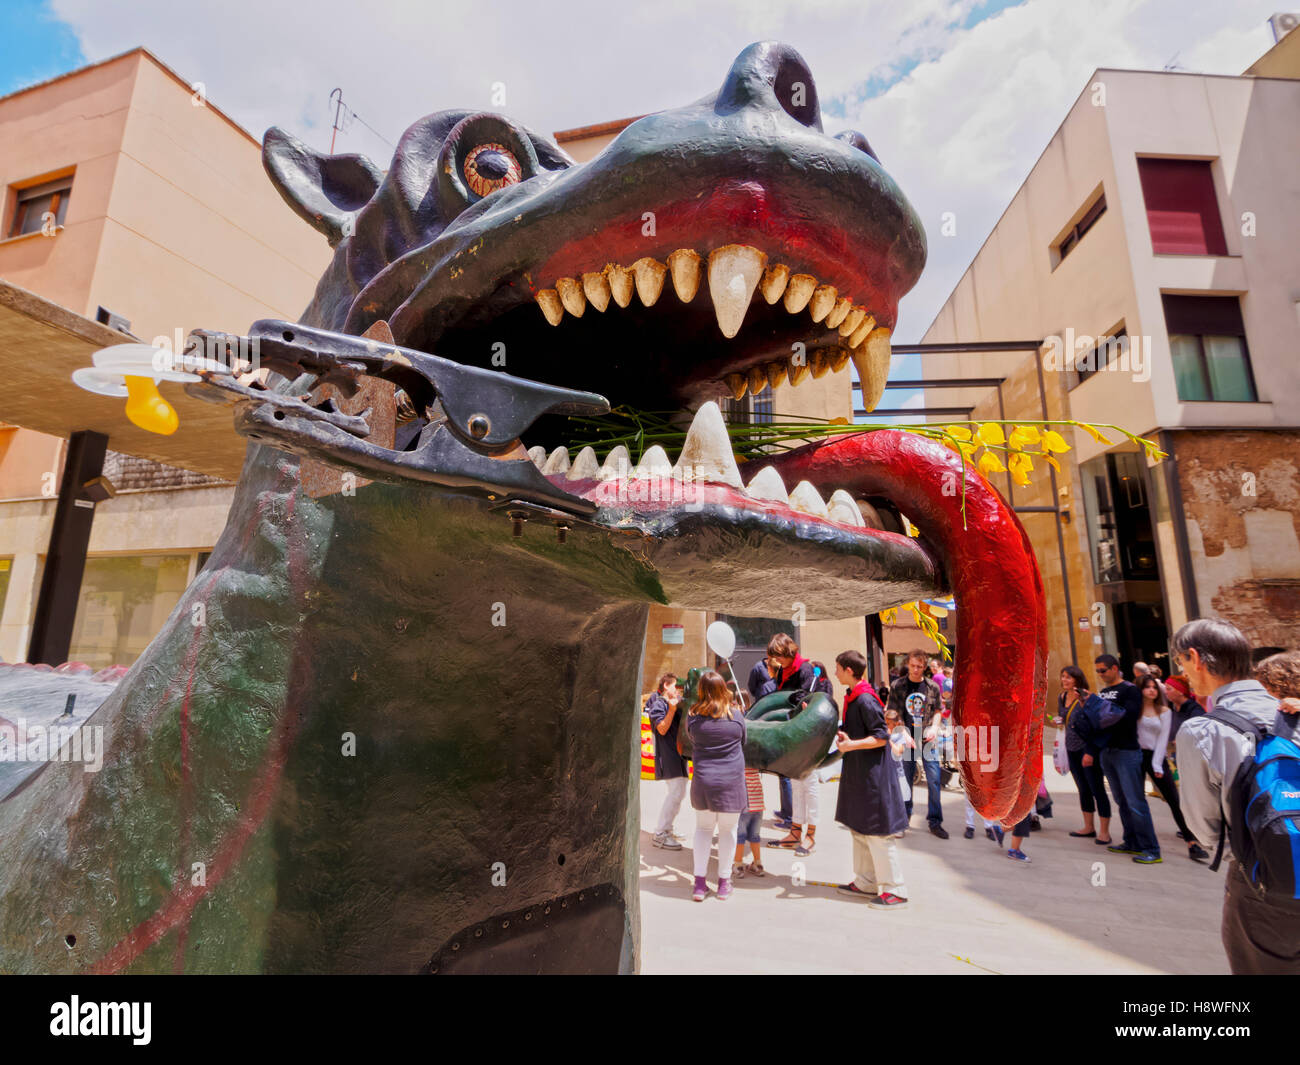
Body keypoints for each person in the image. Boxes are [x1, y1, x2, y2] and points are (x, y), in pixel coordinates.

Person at [1175, 621, 1299, 974]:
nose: (1182, 673)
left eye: (1180, 662)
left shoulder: (1203, 730)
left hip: (1263, 882)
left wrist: (1250, 854)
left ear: (1194, 658)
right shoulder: (1291, 707)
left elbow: (1205, 829)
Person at [833, 650, 908, 908]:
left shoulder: (865, 699)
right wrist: (847, 739)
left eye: (838, 668)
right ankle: (866, 881)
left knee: (877, 832)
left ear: (849, 671)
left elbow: (881, 736)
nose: (835, 673)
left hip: (874, 775)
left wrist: (851, 744)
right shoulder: (854, 697)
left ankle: (895, 889)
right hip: (860, 772)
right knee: (859, 828)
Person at [687, 670, 747, 902]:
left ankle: (699, 885)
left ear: (701, 691)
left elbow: (691, 739)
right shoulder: (735, 716)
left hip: (704, 781)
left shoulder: (693, 717)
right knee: (727, 832)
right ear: (724, 690)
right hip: (731, 781)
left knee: (703, 830)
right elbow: (744, 740)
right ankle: (724, 883)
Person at [1094, 654, 1161, 864]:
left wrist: (1103, 717)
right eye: (1098, 672)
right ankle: (1131, 841)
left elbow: (1128, 716)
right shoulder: (1103, 693)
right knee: (1121, 800)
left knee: (1135, 801)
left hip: (1126, 752)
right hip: (1107, 752)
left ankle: (1151, 848)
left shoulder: (1130, 690)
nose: (1101, 675)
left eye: (1103, 670)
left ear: (1115, 668)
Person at [1137, 674, 1208, 861]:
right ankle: (1143, 843)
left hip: (1156, 756)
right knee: (1137, 802)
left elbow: (1162, 740)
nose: (1152, 690)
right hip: (1136, 757)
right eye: (1147, 687)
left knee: (1174, 800)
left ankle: (1191, 842)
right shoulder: (1135, 710)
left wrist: (1156, 764)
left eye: (1154, 687)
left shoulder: (1164, 711)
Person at [887, 649, 947, 838]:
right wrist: (903, 733)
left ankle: (935, 822)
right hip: (907, 738)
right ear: (908, 664)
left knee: (934, 780)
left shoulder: (932, 687)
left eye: (919, 666)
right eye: (912, 665)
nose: (915, 669)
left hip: (927, 737)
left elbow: (938, 710)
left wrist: (935, 728)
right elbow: (893, 713)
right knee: (905, 780)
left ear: (925, 666)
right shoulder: (898, 685)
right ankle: (903, 819)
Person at [783, 662, 838, 856]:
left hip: (813, 744)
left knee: (810, 787)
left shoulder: (823, 690)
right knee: (797, 786)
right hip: (797, 742)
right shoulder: (803, 688)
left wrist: (810, 709)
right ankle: (795, 831)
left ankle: (811, 836)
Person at [1054, 665, 1112, 845]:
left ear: (1077, 679)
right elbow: (1064, 718)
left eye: (1068, 677)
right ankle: (1089, 826)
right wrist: (1058, 721)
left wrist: (1090, 752)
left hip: (1087, 749)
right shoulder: (1062, 697)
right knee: (1083, 789)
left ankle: (1104, 832)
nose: (1064, 680)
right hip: (1070, 748)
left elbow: (1097, 725)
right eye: (1063, 676)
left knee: (1097, 789)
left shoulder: (1088, 697)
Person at [768, 633, 817, 844]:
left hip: (806, 730)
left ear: (788, 652)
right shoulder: (782, 672)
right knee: (795, 782)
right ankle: (795, 830)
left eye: (779, 656)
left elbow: (808, 695)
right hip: (789, 728)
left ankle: (811, 835)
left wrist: (792, 700)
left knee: (809, 782)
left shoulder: (806, 669)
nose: (777, 661)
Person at [646, 673, 686, 851]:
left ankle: (667, 829)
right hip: (668, 755)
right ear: (666, 685)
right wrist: (671, 710)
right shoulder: (659, 704)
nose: (678, 690)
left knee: (678, 792)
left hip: (677, 755)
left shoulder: (673, 705)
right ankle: (661, 833)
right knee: (676, 792)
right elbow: (661, 729)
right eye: (675, 686)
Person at [733, 763, 767, 879]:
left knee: (740, 836)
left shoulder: (739, 757)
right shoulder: (757, 759)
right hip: (758, 801)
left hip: (744, 803)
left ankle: (738, 865)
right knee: (755, 835)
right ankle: (757, 864)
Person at [885, 708, 914, 822]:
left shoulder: (900, 737)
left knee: (898, 800)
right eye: (885, 723)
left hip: (897, 773)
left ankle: (900, 823)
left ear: (896, 724)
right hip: (886, 772)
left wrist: (888, 740)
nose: (886, 726)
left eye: (888, 724)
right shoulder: (886, 735)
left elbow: (897, 751)